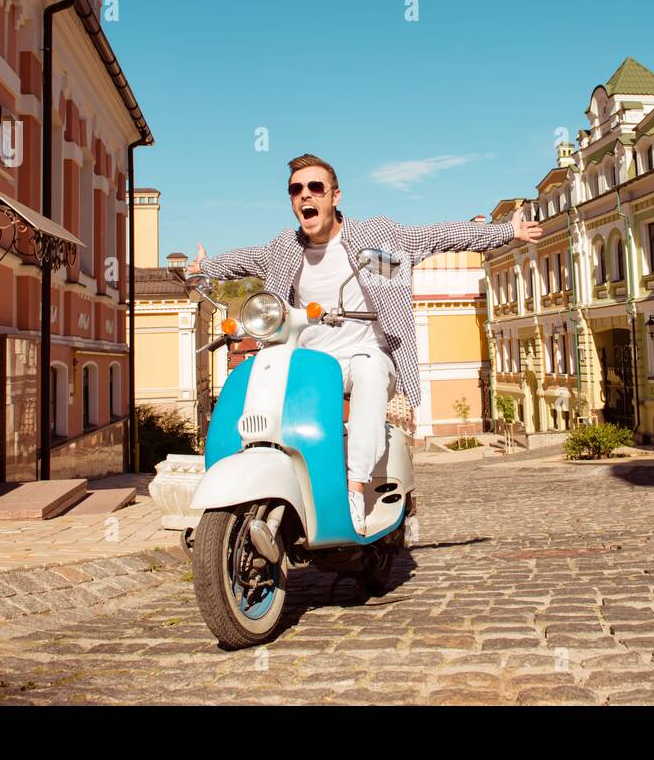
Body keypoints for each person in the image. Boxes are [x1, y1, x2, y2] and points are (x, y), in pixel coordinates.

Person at [188, 153, 542, 534]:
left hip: (368, 352)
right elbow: (245, 259)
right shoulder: (285, 248)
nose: (305, 195)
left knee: (369, 369)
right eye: (296, 190)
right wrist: (206, 268)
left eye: (315, 187)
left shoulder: (379, 239)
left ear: (335, 196)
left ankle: (354, 491)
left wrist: (506, 232)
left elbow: (442, 236)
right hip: (310, 361)